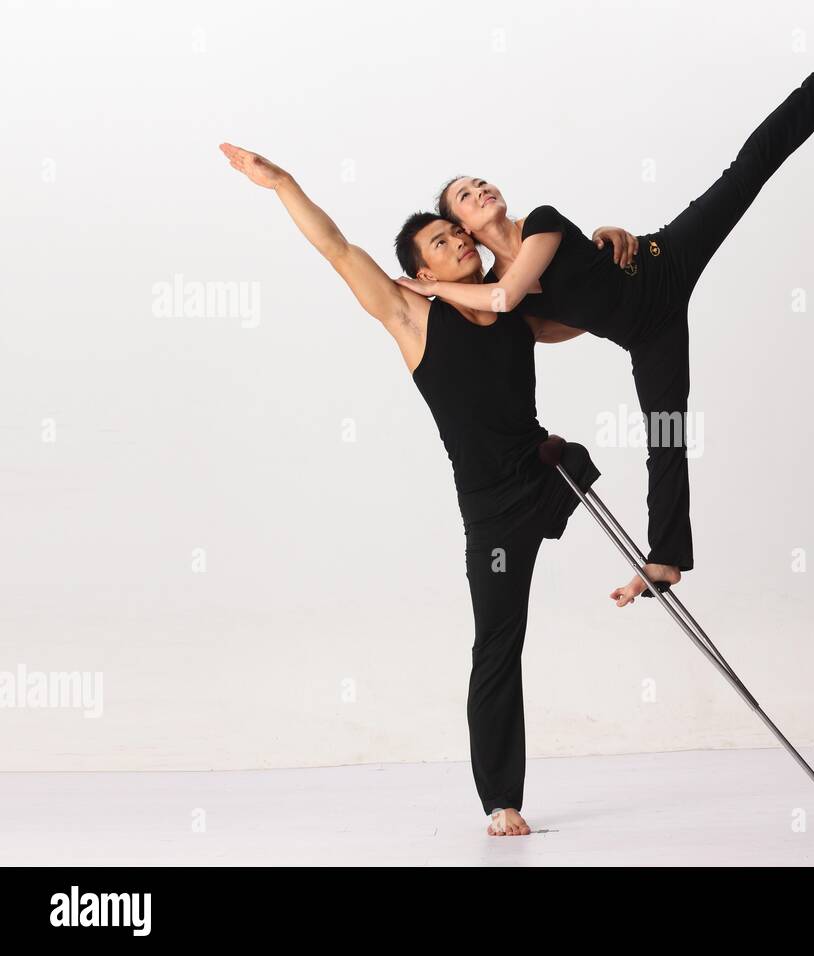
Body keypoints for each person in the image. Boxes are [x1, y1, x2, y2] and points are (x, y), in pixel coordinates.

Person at [218, 143, 638, 837]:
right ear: (422, 271)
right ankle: (501, 799)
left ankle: (646, 570)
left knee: (579, 459)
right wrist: (284, 182)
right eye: (443, 242)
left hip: (545, 467)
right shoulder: (410, 316)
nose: (460, 244)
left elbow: (590, 310)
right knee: (499, 643)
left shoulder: (513, 312)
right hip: (493, 509)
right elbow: (336, 247)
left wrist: (609, 246)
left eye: (459, 234)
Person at [398, 39, 814, 607]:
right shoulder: (501, 290)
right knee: (666, 437)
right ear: (460, 226)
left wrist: (430, 285)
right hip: (649, 335)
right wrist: (595, 306)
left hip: (659, 265)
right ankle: (664, 560)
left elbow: (505, 296)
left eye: (481, 182)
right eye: (466, 196)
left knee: (744, 175)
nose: (481, 191)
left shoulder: (537, 224)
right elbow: (554, 326)